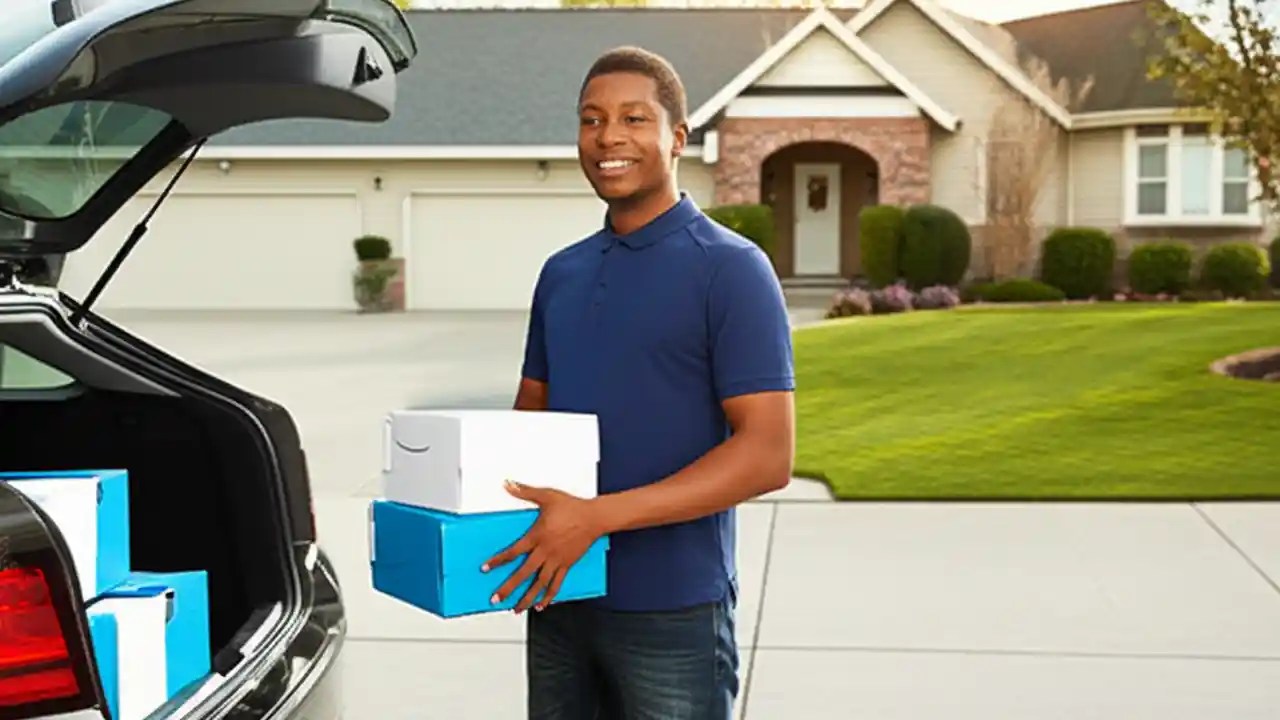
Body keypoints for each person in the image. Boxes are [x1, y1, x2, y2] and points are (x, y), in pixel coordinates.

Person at [482, 45, 795, 720]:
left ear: (677, 137)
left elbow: (768, 455)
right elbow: (530, 415)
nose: (609, 138)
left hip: (674, 609)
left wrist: (595, 518)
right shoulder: (560, 274)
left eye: (632, 118)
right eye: (591, 120)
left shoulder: (731, 270)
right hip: (561, 592)